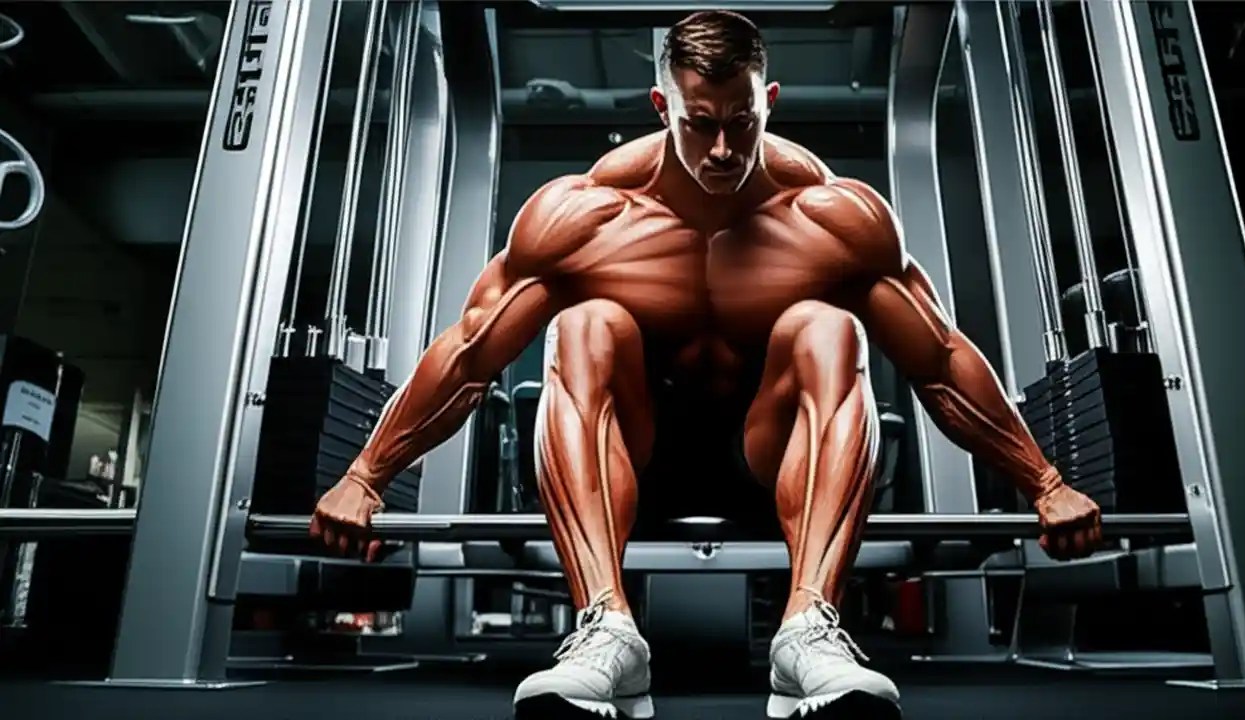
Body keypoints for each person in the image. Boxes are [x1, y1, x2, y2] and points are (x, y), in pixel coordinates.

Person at [309, 10, 1103, 720]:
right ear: (662, 109)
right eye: (699, 124)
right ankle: (607, 632)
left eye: (741, 121)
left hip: (774, 473)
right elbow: (470, 352)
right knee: (586, 324)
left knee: (827, 328)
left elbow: (939, 361)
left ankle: (808, 635)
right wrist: (367, 475)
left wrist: (1046, 482)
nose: (722, 147)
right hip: (628, 469)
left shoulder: (833, 219)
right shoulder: (583, 220)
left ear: (770, 102)